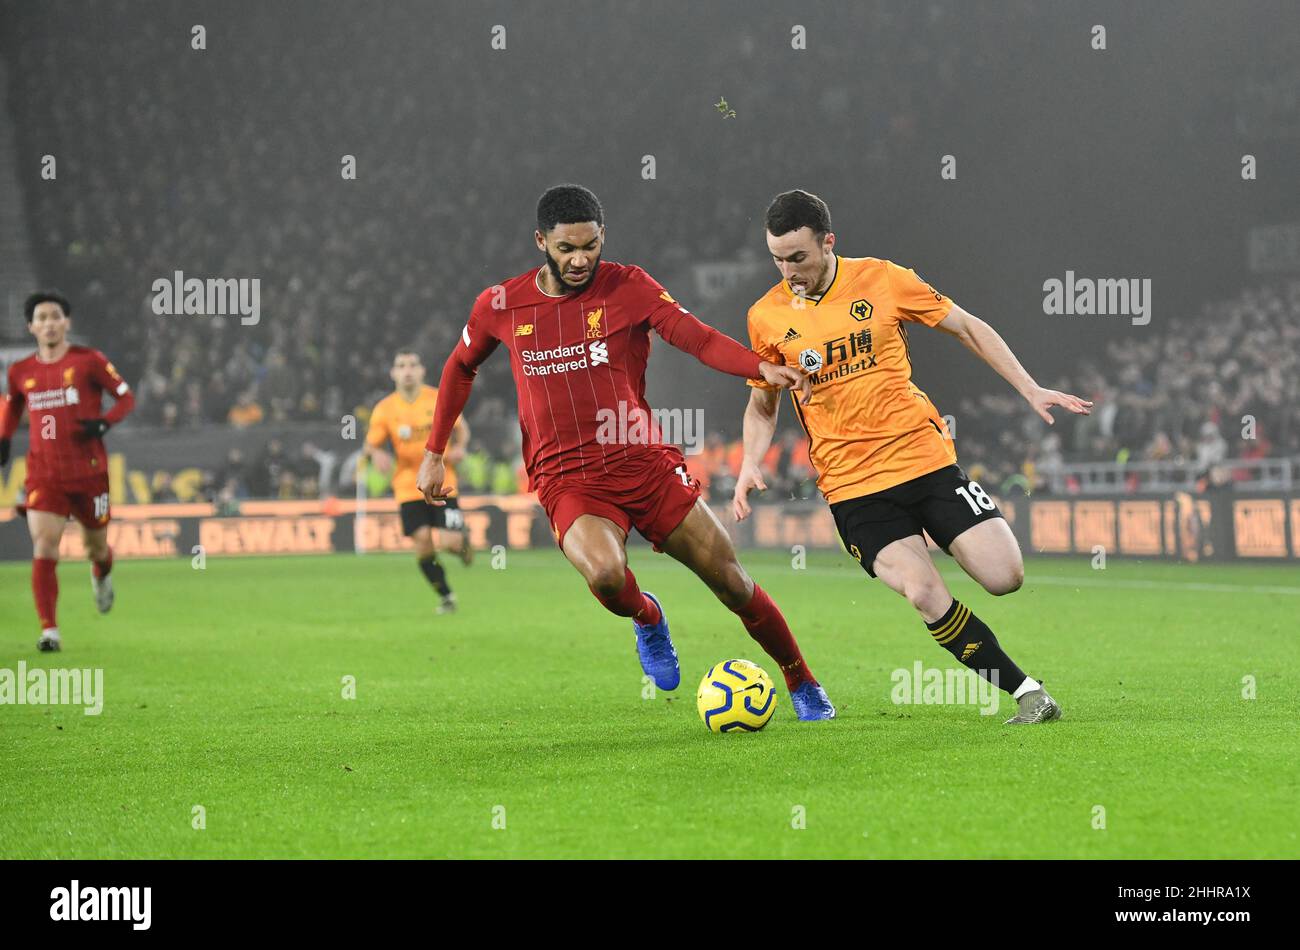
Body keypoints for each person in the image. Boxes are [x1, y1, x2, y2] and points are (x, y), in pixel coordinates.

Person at [416, 184, 835, 718]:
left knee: (732, 582)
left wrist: (760, 367)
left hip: (643, 462)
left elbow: (696, 337)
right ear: (541, 241)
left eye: (589, 245)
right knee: (607, 576)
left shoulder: (628, 286)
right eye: (566, 248)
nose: (579, 258)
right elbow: (459, 366)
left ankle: (801, 679)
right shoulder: (501, 303)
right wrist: (435, 450)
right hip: (567, 477)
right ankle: (647, 617)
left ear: (602, 237)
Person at [735, 190, 1092, 724]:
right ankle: (1027, 693)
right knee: (925, 593)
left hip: (923, 460)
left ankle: (933, 532)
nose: (788, 270)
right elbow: (762, 405)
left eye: (798, 257)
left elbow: (967, 326)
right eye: (777, 258)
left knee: (1004, 576)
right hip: (853, 487)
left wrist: (1029, 387)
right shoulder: (765, 317)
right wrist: (749, 463)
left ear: (828, 242)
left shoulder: (883, 279)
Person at [1, 292, 136, 652]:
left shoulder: (89, 361)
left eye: (55, 316)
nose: (48, 323)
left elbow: (126, 397)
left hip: (90, 472)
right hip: (44, 474)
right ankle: (50, 630)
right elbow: (12, 406)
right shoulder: (20, 372)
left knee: (96, 548)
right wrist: (3, 438)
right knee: (45, 545)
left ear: (67, 322)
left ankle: (102, 573)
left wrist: (104, 424)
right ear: (31, 327)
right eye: (41, 318)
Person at [365, 349, 472, 614]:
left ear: (422, 370)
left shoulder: (437, 398)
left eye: (413, 365)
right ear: (393, 373)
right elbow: (371, 445)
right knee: (423, 542)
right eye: (401, 366)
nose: (408, 370)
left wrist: (460, 448)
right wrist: (378, 454)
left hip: (442, 479)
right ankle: (446, 596)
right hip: (407, 484)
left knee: (450, 544)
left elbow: (462, 428)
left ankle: (463, 543)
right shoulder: (385, 409)